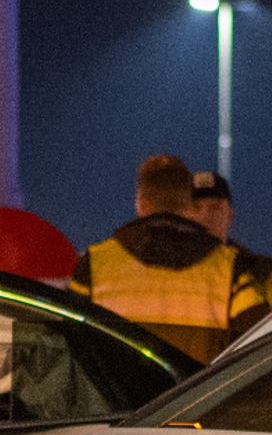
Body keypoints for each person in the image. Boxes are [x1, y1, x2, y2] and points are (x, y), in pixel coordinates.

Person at [68, 154, 265, 364]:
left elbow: (69, 338)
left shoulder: (95, 263)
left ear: (141, 202)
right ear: (189, 205)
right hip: (202, 395)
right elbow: (259, 344)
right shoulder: (229, 268)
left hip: (116, 395)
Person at [190, 170, 272, 306]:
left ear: (230, 215)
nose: (205, 216)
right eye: (196, 208)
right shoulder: (166, 269)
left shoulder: (258, 272)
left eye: (215, 208)